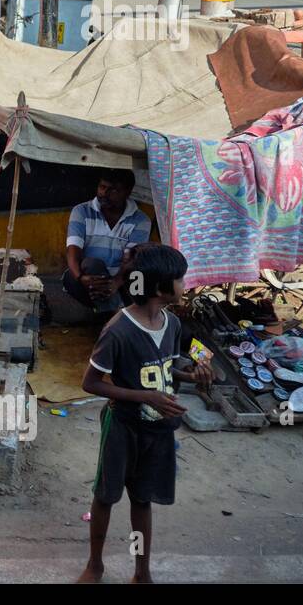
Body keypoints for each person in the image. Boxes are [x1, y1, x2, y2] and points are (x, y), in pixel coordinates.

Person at [77, 243, 213, 583]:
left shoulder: (171, 324)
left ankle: (142, 572)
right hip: (122, 427)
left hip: (158, 432)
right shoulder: (118, 331)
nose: (186, 285)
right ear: (159, 288)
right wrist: (145, 397)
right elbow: (91, 383)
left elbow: (164, 368)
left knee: (142, 501)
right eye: (180, 280)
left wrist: (190, 375)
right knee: (105, 498)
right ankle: (95, 565)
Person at [63, 169, 152, 315]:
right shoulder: (82, 211)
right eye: (102, 187)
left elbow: (131, 259)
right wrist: (81, 277)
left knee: (140, 275)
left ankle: (115, 310)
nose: (104, 193)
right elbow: (73, 249)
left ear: (128, 192)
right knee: (91, 264)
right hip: (90, 279)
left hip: (122, 280)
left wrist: (116, 283)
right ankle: (114, 314)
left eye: (113, 190)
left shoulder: (141, 220)